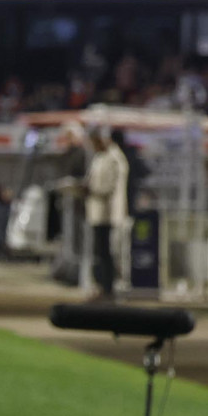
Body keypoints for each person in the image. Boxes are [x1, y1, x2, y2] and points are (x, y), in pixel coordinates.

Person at [83, 127, 129, 302]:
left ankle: (109, 289)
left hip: (109, 215)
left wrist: (90, 189)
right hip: (97, 213)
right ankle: (101, 286)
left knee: (108, 252)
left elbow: (108, 187)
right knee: (100, 252)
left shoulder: (115, 158)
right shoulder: (100, 157)